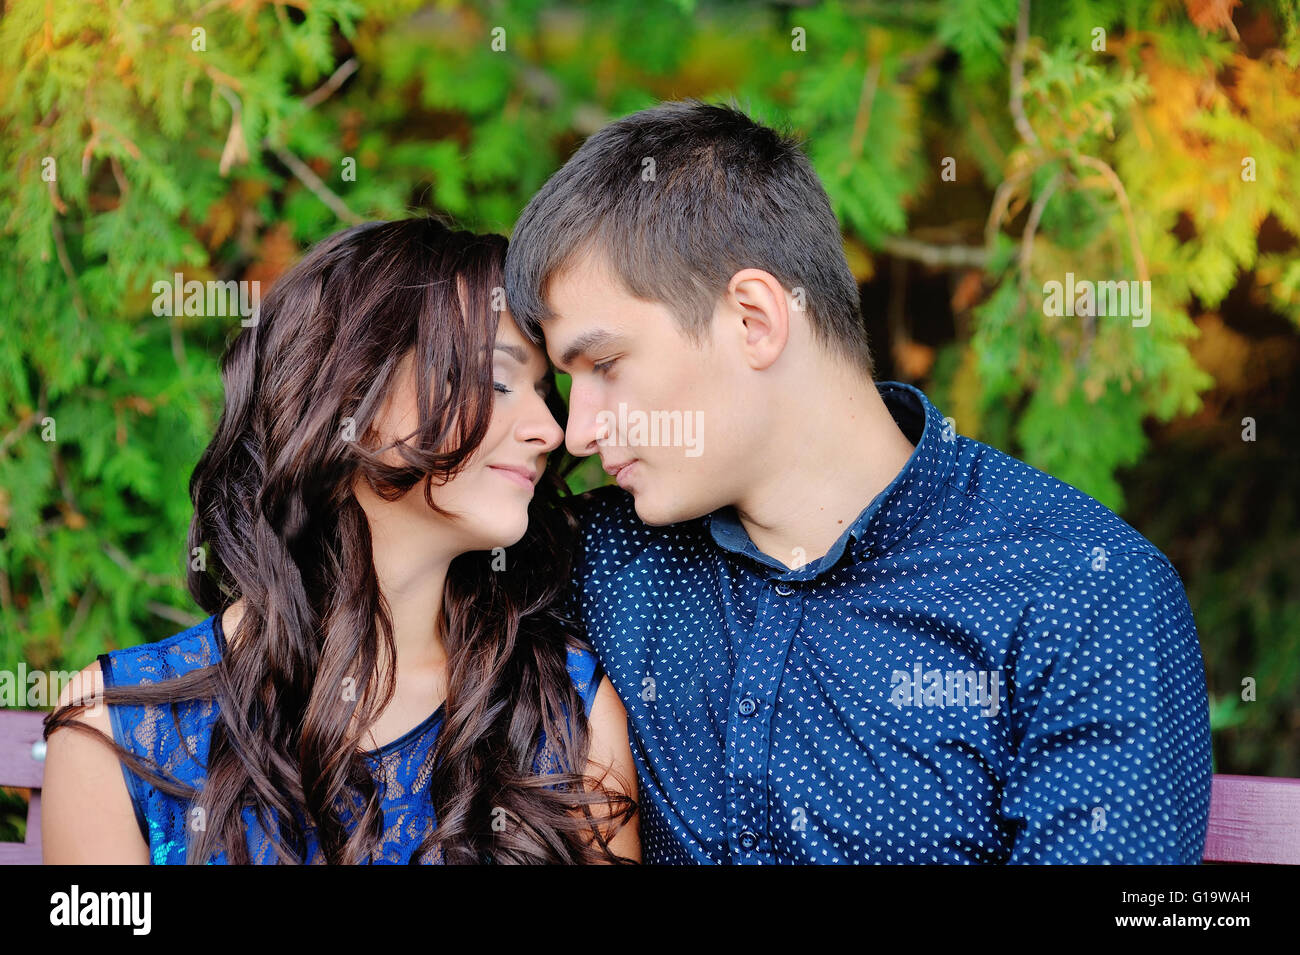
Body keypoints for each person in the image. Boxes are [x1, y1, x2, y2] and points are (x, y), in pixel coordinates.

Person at [502, 99, 1213, 864]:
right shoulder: (603, 559)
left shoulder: (1081, 593)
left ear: (753, 319)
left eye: (605, 366)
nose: (579, 431)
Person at [42, 217, 639, 864]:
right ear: (356, 393)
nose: (550, 430)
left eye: (543, 392)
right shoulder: (117, 737)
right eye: (497, 381)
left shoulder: (562, 708)